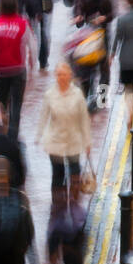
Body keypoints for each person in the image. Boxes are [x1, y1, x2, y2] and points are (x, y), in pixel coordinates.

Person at [35, 60, 92, 191]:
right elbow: (43, 116)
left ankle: (74, 203)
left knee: (75, 175)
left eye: (64, 74)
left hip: (74, 141)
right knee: (57, 177)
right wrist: (39, 136)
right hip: (55, 142)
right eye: (59, 74)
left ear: (70, 76)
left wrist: (87, 142)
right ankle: (57, 205)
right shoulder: (49, 95)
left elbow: (84, 119)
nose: (61, 77)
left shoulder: (77, 94)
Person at [0, 0, 35, 141]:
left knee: (2, 103)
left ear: (1, 7)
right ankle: (13, 136)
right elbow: (33, 45)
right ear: (16, 7)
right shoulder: (23, 24)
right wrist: (32, 61)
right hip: (18, 70)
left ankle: (1, 135)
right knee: (17, 104)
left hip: (1, 71)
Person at [72, 0, 113, 103]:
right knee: (86, 65)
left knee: (104, 68)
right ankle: (87, 97)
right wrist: (79, 17)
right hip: (88, 34)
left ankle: (102, 99)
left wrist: (105, 18)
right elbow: (78, 8)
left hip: (103, 33)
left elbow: (112, 13)